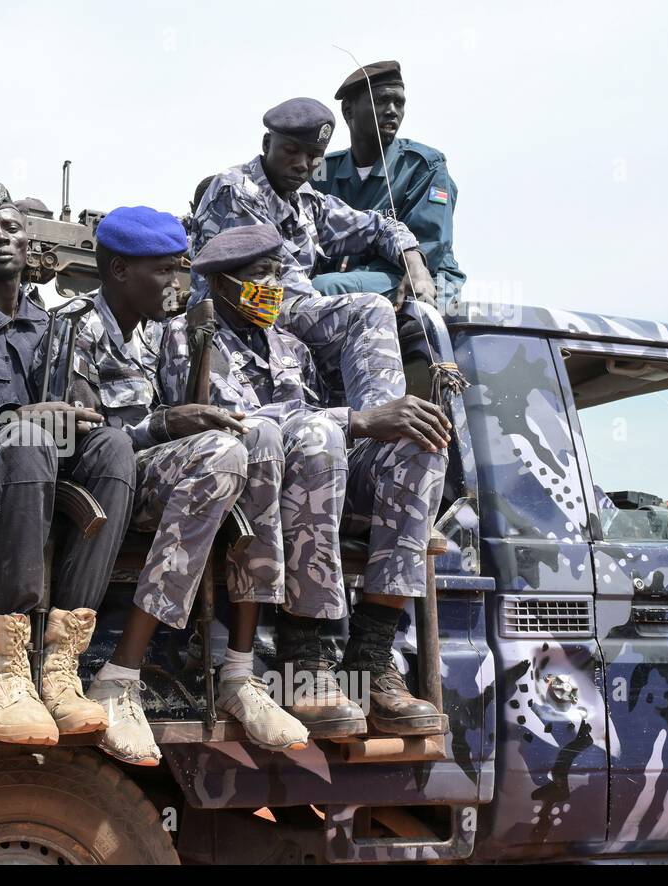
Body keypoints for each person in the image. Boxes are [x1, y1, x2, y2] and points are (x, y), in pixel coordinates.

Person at [46, 206, 307, 760]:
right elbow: (79, 443)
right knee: (219, 453)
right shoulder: (76, 325)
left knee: (255, 434)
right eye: (163, 271)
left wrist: (197, 399)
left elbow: (191, 413)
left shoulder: (164, 332)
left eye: (179, 270)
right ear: (119, 271)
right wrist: (162, 424)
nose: (175, 283)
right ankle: (121, 675)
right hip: (101, 489)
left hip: (165, 479)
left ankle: (239, 672)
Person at [184, 225, 450, 738]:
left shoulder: (292, 347)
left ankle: (370, 658)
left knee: (420, 443)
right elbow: (239, 425)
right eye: (259, 275)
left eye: (278, 273)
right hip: (250, 499)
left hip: (319, 489)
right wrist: (356, 420)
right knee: (314, 432)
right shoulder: (197, 340)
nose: (274, 285)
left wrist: (373, 425)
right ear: (222, 285)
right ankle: (302, 656)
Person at [0, 185, 131, 751]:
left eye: (11, 229)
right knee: (26, 437)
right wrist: (20, 415)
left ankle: (62, 662)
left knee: (114, 447)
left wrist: (80, 415)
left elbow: (80, 405)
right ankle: (6, 664)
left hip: (46, 459)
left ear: (29, 241)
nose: (1, 238)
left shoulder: (56, 326)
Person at [190, 97, 435, 414]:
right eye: (292, 151)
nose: (303, 165)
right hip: (244, 318)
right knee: (369, 310)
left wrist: (414, 263)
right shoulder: (236, 190)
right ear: (267, 143)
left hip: (282, 319)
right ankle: (380, 428)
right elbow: (278, 289)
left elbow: (378, 226)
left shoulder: (305, 200)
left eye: (314, 156)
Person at [312, 61, 465, 314]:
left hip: (415, 279)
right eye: (382, 101)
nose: (392, 111)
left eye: (399, 103)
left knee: (322, 289)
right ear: (348, 111)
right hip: (347, 278)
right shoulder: (322, 171)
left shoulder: (423, 166)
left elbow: (430, 246)